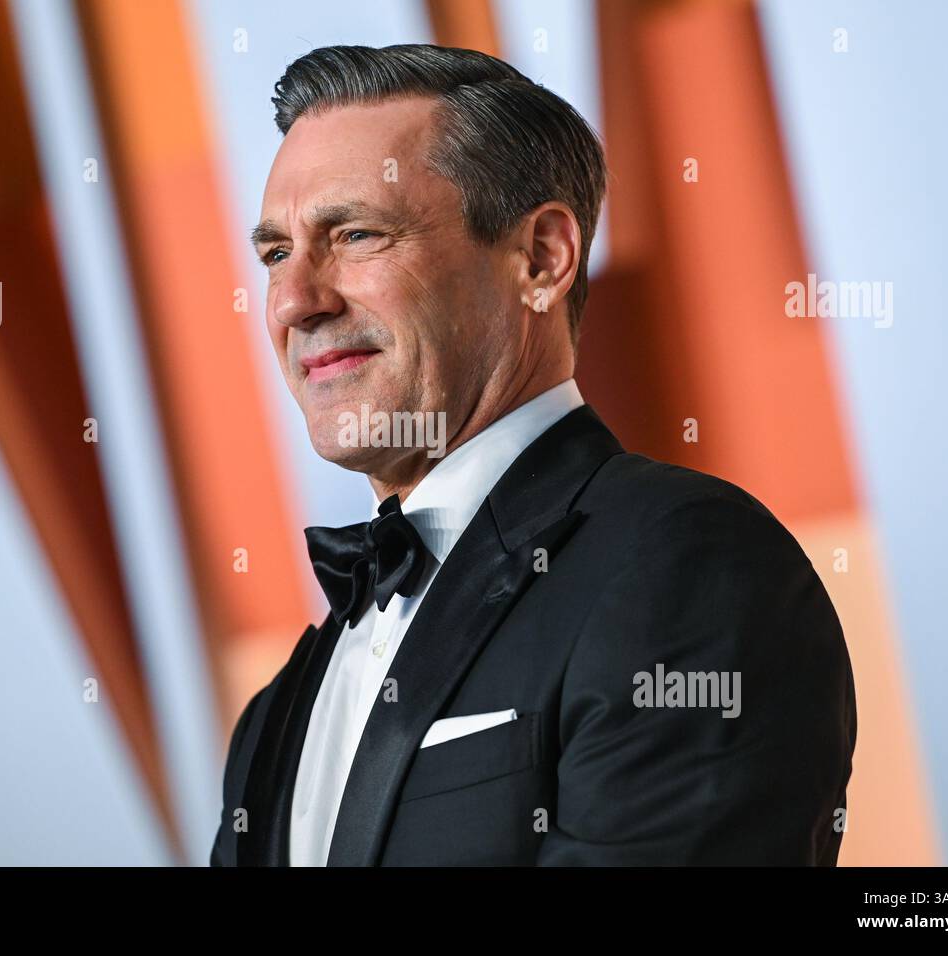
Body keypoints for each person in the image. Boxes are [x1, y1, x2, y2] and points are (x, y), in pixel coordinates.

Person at [210, 43, 856, 866]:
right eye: (275, 254)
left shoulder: (687, 567)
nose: (296, 300)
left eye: (358, 233)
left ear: (542, 259)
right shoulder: (281, 707)